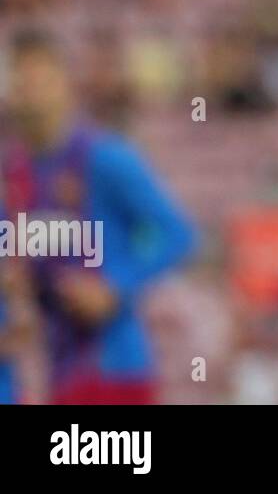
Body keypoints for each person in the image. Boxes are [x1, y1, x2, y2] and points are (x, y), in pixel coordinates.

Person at [0, 29, 197, 404]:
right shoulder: (14, 174)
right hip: (54, 368)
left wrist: (114, 286)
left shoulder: (105, 158)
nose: (31, 92)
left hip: (115, 367)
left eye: (40, 79)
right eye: (21, 82)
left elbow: (178, 234)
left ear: (65, 83)